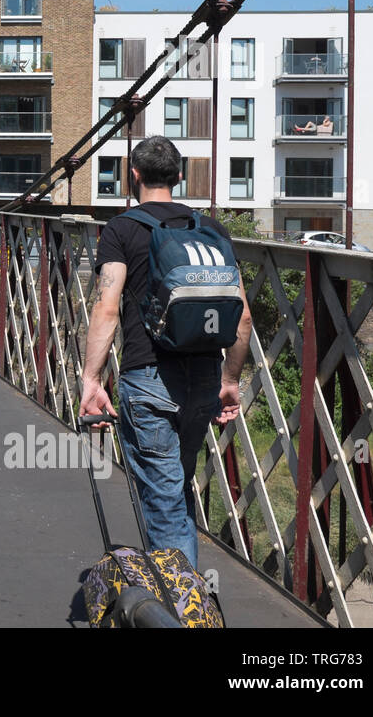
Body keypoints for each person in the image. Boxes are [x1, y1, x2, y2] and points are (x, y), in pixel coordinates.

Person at [78, 136, 253, 568]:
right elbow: (243, 319)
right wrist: (229, 381)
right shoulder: (212, 230)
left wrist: (90, 380)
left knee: (166, 504)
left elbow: (107, 307)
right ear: (179, 176)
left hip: (149, 381)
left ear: (132, 175)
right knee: (175, 490)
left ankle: (182, 612)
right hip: (204, 381)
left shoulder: (122, 229)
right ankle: (184, 592)